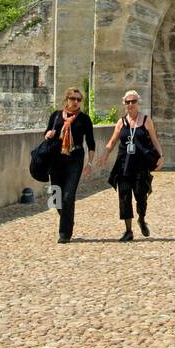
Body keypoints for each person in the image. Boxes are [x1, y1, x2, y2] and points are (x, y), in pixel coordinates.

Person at [98, 91, 163, 241]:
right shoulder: (121, 122)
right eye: (127, 102)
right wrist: (105, 154)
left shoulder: (146, 121)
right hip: (124, 165)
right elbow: (112, 141)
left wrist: (161, 156)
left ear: (138, 102)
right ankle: (128, 231)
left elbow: (154, 141)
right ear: (125, 104)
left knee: (141, 196)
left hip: (141, 165)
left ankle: (141, 218)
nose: (130, 104)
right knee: (124, 197)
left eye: (133, 101)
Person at [44, 88, 96, 243]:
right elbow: (47, 132)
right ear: (66, 99)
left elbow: (91, 143)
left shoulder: (84, 119)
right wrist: (48, 135)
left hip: (75, 159)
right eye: (73, 98)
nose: (75, 102)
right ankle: (68, 219)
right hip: (56, 159)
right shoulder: (56, 116)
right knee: (56, 197)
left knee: (68, 196)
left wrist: (89, 163)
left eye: (79, 99)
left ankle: (64, 234)